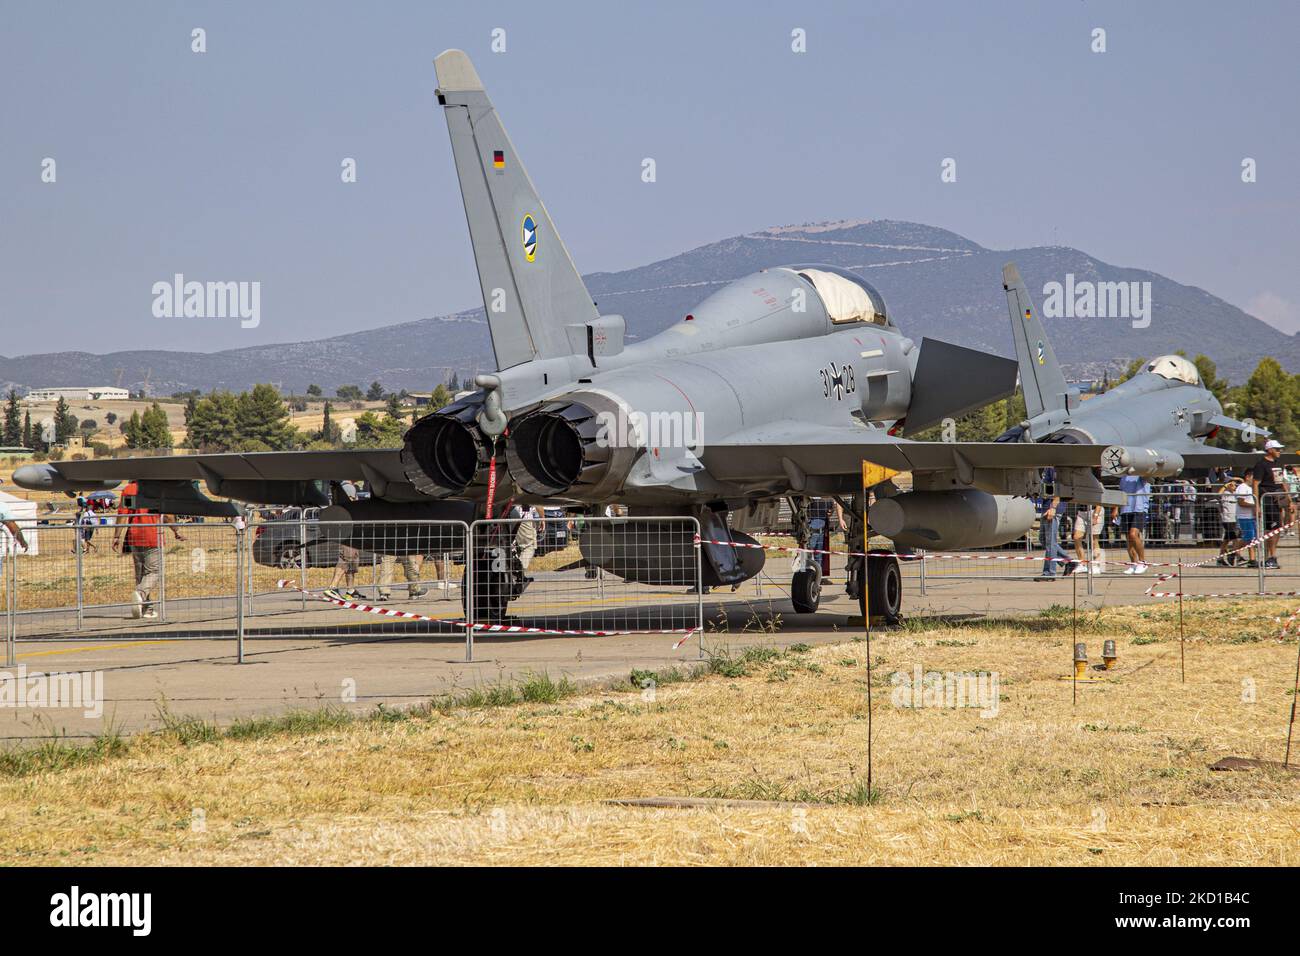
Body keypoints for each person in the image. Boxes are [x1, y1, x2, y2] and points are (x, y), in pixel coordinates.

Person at [111, 481, 184, 620]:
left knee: (141, 574)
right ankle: (140, 594)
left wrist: (116, 536)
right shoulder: (157, 489)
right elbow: (168, 515)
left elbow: (123, 513)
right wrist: (176, 530)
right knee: (155, 571)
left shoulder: (130, 489)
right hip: (153, 536)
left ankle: (147, 609)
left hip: (134, 536)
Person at [1251, 439, 1289, 570]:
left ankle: (1272, 556)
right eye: (1277, 449)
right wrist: (1257, 504)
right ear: (1270, 450)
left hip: (1278, 499)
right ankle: (1270, 557)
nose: (1280, 451)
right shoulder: (1261, 465)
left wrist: (1289, 499)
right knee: (1271, 528)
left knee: (1278, 527)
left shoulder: (1279, 463)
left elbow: (1282, 481)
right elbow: (1255, 483)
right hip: (1267, 499)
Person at [1035, 468, 1075, 580]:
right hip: (1046, 506)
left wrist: (1053, 507)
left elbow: (1059, 487)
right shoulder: (1047, 467)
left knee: (1050, 542)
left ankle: (1049, 573)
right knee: (1043, 539)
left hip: (1053, 508)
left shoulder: (1056, 467)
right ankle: (1068, 561)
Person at [1114, 473, 1151, 574]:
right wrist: (1116, 508)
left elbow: (1147, 475)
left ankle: (1142, 561)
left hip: (1139, 509)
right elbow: (1120, 493)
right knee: (1129, 539)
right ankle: (1133, 563)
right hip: (1125, 509)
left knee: (1133, 534)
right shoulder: (1123, 478)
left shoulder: (1141, 474)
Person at [1215, 472, 1242, 566]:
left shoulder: (1235, 493)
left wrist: (1237, 478)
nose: (1234, 486)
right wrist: (1226, 485)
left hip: (1234, 519)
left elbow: (1243, 483)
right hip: (1227, 519)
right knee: (1235, 539)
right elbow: (1218, 494)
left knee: (1226, 540)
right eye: (1232, 485)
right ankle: (1238, 556)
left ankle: (1220, 559)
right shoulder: (1226, 493)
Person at [1071, 503, 1104, 575]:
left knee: (1094, 540)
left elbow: (1099, 500)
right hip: (1081, 512)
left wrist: (1096, 515)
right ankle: (1081, 563)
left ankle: (1096, 565)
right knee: (1076, 537)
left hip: (1095, 510)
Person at [1234, 474, 1258, 564]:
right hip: (1244, 516)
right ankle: (1251, 559)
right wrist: (1255, 506)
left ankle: (1234, 552)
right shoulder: (1242, 487)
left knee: (1252, 538)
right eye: (1253, 477)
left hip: (1251, 516)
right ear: (1248, 477)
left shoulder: (1251, 488)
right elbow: (1241, 502)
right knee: (1249, 538)